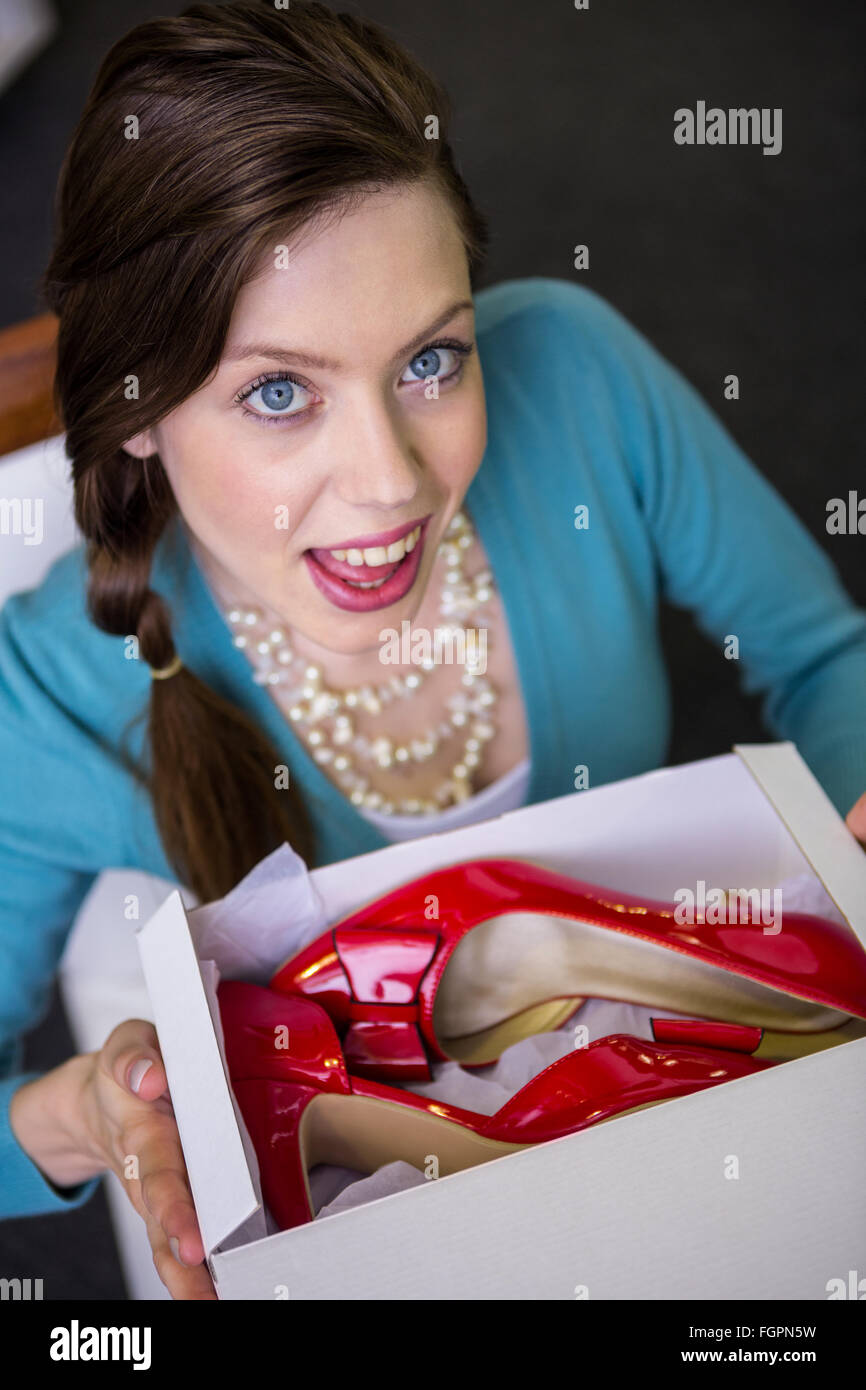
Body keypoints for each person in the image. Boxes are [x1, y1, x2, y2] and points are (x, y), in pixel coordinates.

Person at [2, 0, 865, 1301]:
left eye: (428, 360)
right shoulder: (51, 692)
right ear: (135, 408)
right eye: (278, 392)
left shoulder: (573, 376)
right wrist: (94, 1105)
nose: (392, 482)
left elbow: (824, 661)